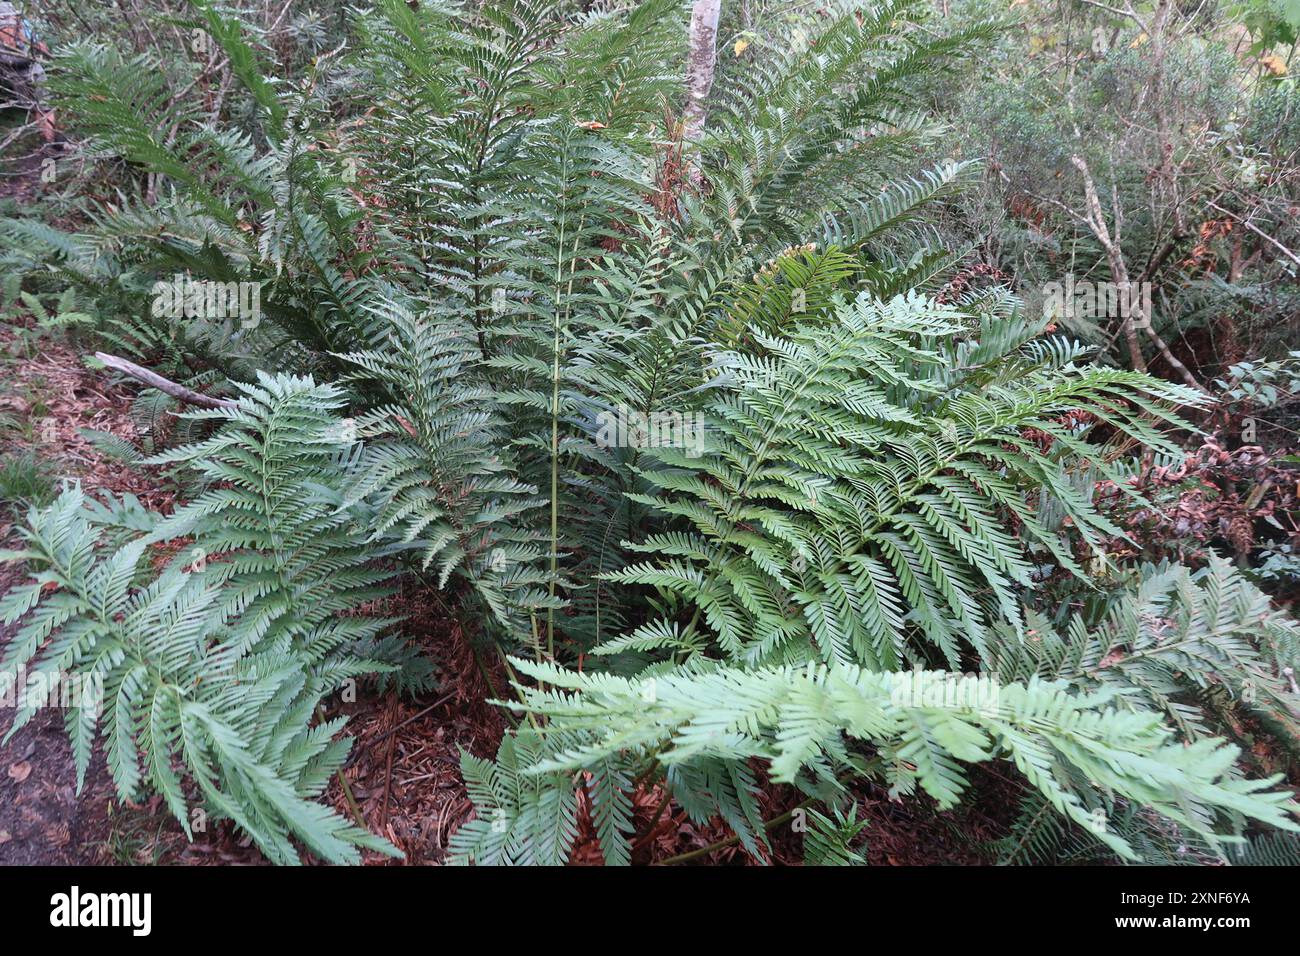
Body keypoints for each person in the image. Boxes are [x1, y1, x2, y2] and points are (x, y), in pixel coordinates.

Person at [0, 1, 55, 143]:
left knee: (33, 107)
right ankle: (52, 142)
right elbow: (41, 47)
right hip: (32, 68)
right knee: (46, 107)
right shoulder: (19, 20)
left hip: (13, 74)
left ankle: (46, 140)